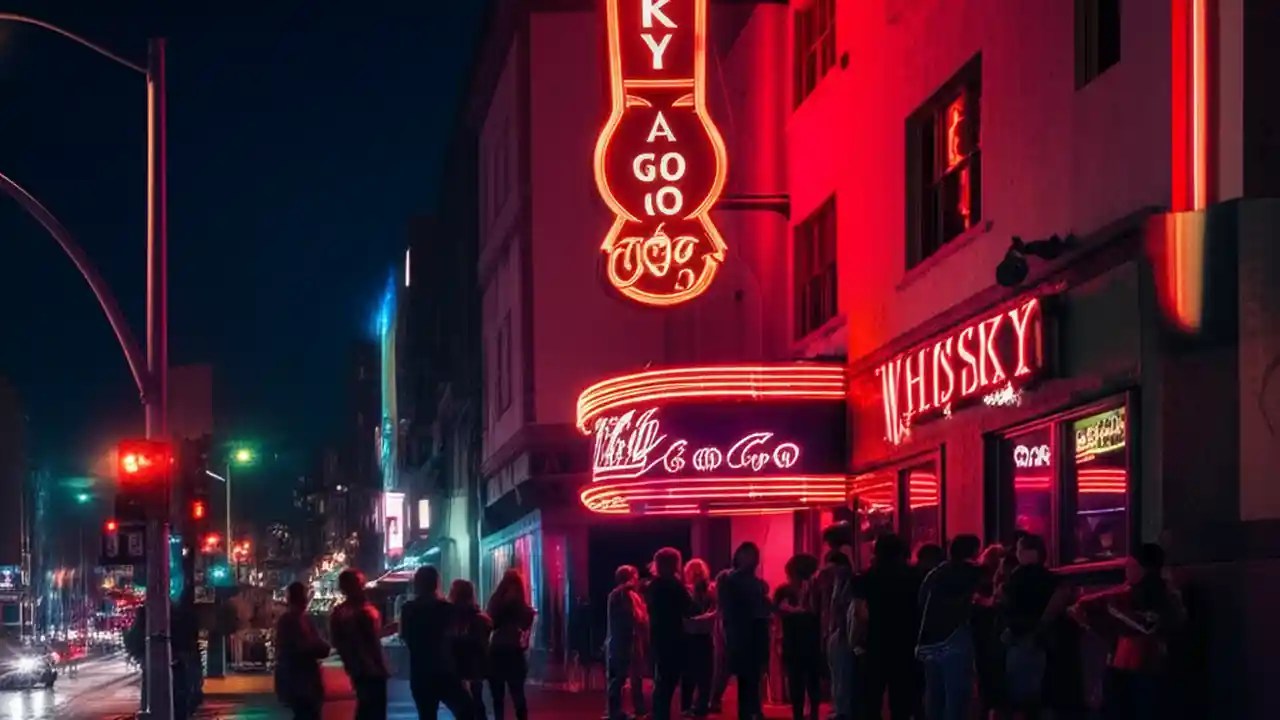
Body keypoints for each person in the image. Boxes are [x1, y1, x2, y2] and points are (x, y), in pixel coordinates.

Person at [1070, 543, 1185, 720]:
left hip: (1148, 667)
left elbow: (1163, 626)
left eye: (1133, 566)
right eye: (1127, 565)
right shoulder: (1122, 594)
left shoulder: (1165, 597)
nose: (1127, 570)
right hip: (1121, 666)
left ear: (1147, 569)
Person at [998, 533, 1076, 719]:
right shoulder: (1052, 580)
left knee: (1020, 692)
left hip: (1021, 638)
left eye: (1019, 549)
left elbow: (1008, 607)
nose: (1017, 553)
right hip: (1045, 640)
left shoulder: (1017, 578)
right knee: (1043, 692)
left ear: (1027, 552)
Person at [916, 534, 982, 720]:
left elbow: (921, 601)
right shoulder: (973, 573)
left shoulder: (935, 573)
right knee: (956, 695)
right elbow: (979, 602)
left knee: (934, 693)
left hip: (929, 640)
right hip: (955, 636)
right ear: (974, 551)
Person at [856, 534, 919, 720]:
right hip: (905, 640)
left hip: (876, 640)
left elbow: (860, 613)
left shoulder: (867, 577)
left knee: (872, 697)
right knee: (901, 697)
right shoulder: (913, 576)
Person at [400, 565, 474, 720]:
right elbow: (457, 635)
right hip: (445, 669)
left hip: (420, 671)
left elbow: (406, 637)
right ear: (436, 583)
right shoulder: (447, 609)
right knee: (466, 710)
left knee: (426, 715)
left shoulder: (408, 610)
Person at [718, 542, 772, 720]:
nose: (752, 560)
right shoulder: (734, 580)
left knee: (753, 676)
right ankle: (751, 712)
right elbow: (729, 610)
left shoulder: (752, 582)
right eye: (748, 555)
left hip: (753, 631)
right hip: (744, 632)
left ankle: (753, 710)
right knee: (747, 677)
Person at [330, 569, 389, 720]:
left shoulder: (339, 612)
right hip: (369, 668)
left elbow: (337, 641)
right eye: (359, 584)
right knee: (373, 709)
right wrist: (381, 666)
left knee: (366, 707)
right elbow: (371, 641)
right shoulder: (363, 612)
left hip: (357, 667)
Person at [646, 547, 692, 720]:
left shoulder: (653, 586)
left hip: (658, 635)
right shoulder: (676, 585)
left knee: (661, 680)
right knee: (670, 679)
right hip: (675, 636)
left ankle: (659, 714)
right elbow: (689, 608)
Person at [774, 554, 821, 720]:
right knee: (800, 682)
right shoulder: (785, 591)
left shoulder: (815, 591)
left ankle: (806, 714)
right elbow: (778, 610)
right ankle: (802, 714)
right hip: (797, 641)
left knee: (807, 681)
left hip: (803, 641)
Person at [275, 582, 330, 720]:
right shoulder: (294, 620)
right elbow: (305, 646)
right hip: (301, 680)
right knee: (307, 713)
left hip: (299, 679)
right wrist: (321, 647)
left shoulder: (298, 619)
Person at [811, 548, 855, 720]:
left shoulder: (843, 581)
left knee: (841, 672)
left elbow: (838, 608)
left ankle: (842, 708)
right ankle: (839, 706)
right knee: (838, 672)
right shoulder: (836, 582)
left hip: (841, 632)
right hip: (836, 631)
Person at [488, 569, 536, 720]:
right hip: (514, 650)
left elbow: (490, 621)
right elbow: (526, 624)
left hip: (497, 649)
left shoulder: (496, 601)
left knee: (498, 697)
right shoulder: (521, 605)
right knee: (518, 694)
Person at [605, 565, 648, 720]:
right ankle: (615, 711)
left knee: (635, 676)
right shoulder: (619, 595)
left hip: (631, 640)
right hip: (621, 641)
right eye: (634, 576)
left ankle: (638, 708)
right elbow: (636, 617)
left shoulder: (631, 595)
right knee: (618, 678)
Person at [450, 579, 493, 718]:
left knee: (461, 705)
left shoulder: (450, 616)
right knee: (477, 700)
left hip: (456, 665)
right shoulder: (479, 617)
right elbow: (482, 642)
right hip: (475, 665)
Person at [681, 558, 716, 718]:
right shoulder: (706, 590)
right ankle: (698, 706)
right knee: (701, 674)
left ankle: (691, 706)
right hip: (699, 636)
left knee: (696, 673)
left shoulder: (707, 590)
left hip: (694, 636)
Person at [708, 568, 732, 714]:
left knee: (721, 668)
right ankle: (715, 699)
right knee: (723, 668)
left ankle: (714, 699)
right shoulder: (728, 602)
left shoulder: (722, 601)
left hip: (722, 632)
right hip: (727, 635)